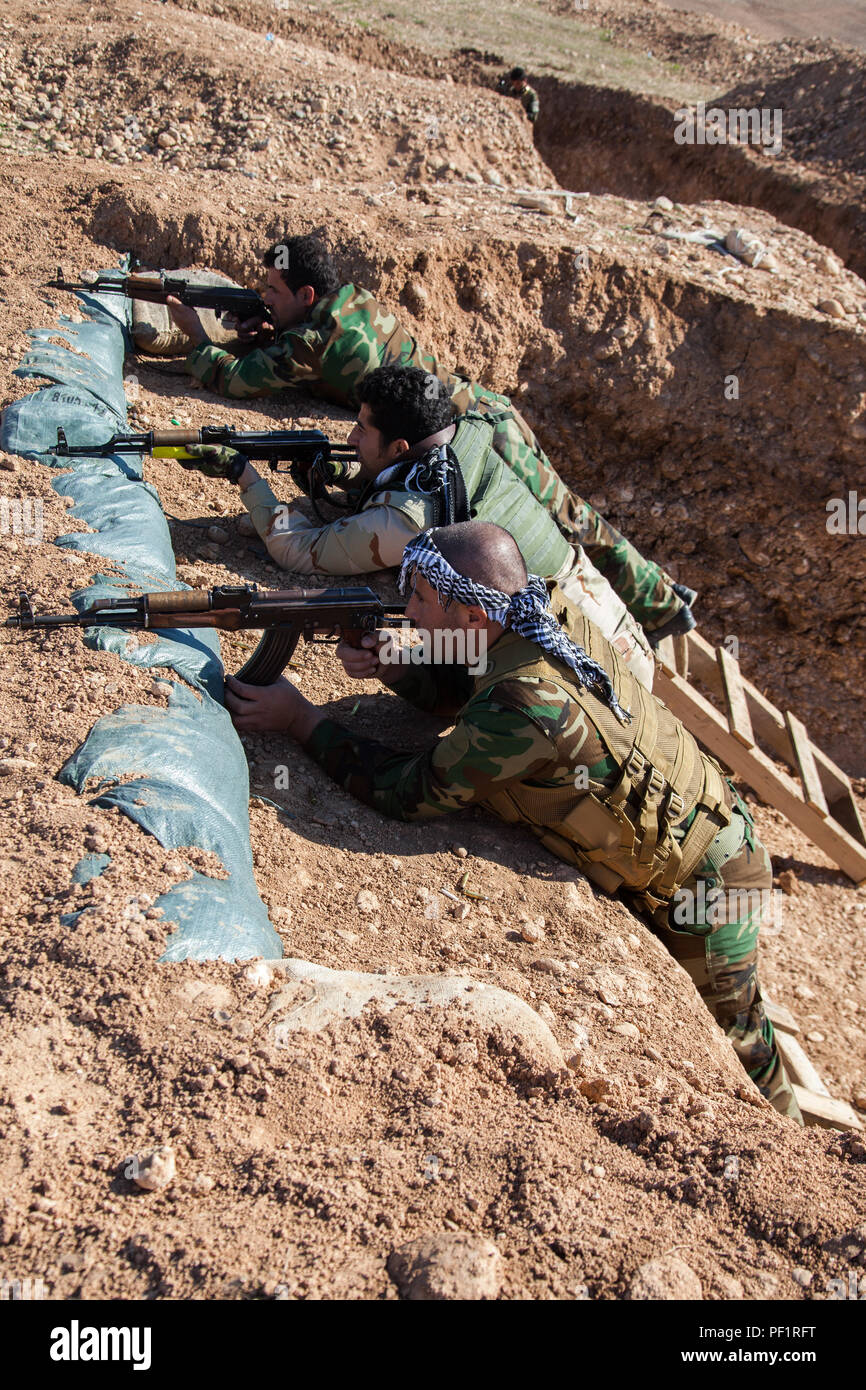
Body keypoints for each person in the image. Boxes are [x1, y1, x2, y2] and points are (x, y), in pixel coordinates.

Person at [223, 520, 802, 1123]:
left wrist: (301, 721)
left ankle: (797, 1145)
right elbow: (465, 677)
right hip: (693, 831)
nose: (407, 608)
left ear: (473, 615)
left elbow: (411, 792)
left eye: (421, 598)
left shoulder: (527, 705)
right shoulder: (538, 608)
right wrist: (396, 667)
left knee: (740, 1036)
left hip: (710, 882)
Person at [165, 233, 695, 645]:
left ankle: (661, 607)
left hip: (480, 429)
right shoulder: (351, 302)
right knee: (568, 518)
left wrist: (196, 339)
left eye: (272, 294)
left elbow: (236, 380)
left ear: (306, 295)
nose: (263, 299)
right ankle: (654, 601)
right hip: (473, 413)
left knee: (569, 517)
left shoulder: (316, 340)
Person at [185, 365, 656, 688]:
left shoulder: (407, 520)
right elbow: (402, 474)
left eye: (362, 431)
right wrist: (344, 475)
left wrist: (244, 475)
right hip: (606, 611)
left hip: (590, 661)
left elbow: (295, 549)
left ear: (399, 445)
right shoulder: (461, 438)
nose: (350, 439)